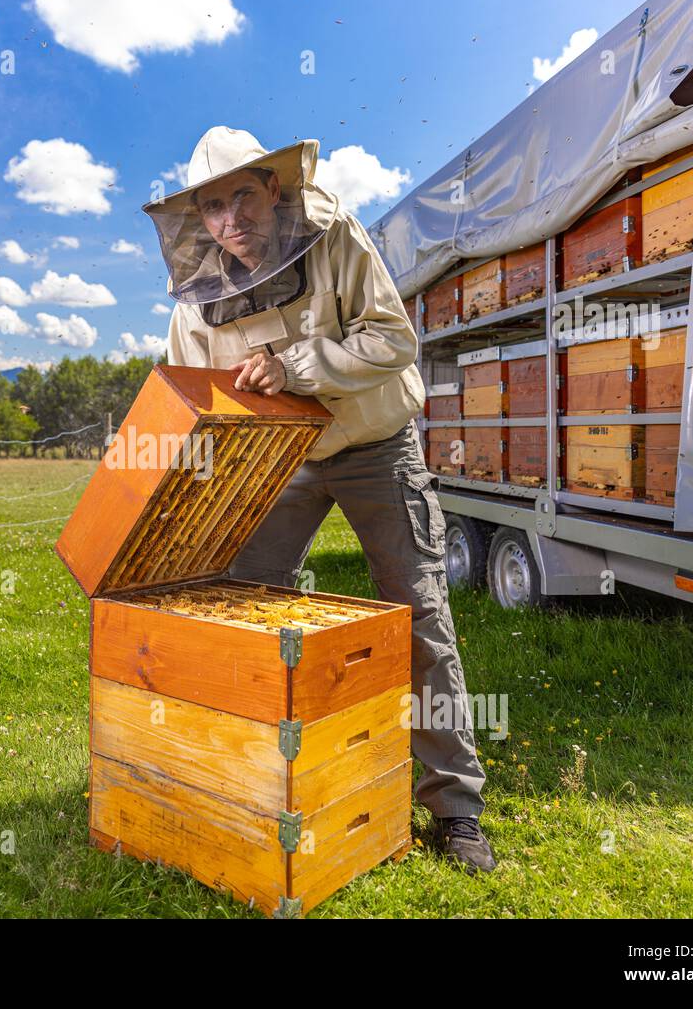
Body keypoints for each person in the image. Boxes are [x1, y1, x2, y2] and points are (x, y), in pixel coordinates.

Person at [145, 126, 496, 874]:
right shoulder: (195, 300)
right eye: (212, 206)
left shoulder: (337, 237)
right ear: (197, 219)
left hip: (373, 441)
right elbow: (189, 399)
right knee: (238, 605)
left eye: (243, 193)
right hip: (282, 459)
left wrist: (299, 366)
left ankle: (456, 807)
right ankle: (253, 779)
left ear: (274, 188)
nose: (230, 218)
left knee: (418, 611)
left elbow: (395, 339)